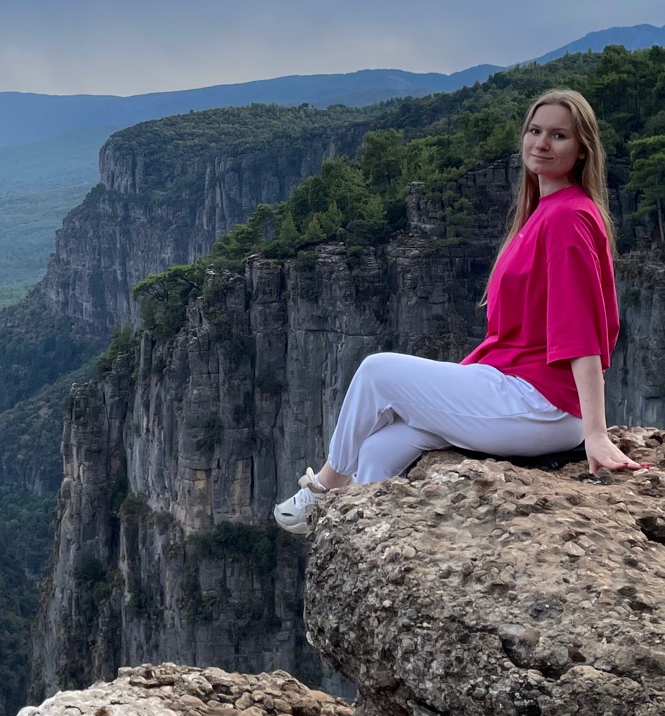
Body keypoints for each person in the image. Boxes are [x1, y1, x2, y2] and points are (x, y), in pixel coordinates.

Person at [274, 87, 642, 535]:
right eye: (535, 130)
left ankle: (323, 490)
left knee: (376, 372)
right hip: (516, 391)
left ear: (583, 150)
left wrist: (597, 433)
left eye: (559, 135)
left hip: (541, 404)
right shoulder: (543, 212)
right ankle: (364, 542)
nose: (542, 143)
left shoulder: (567, 217)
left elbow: (582, 329)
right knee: (378, 451)